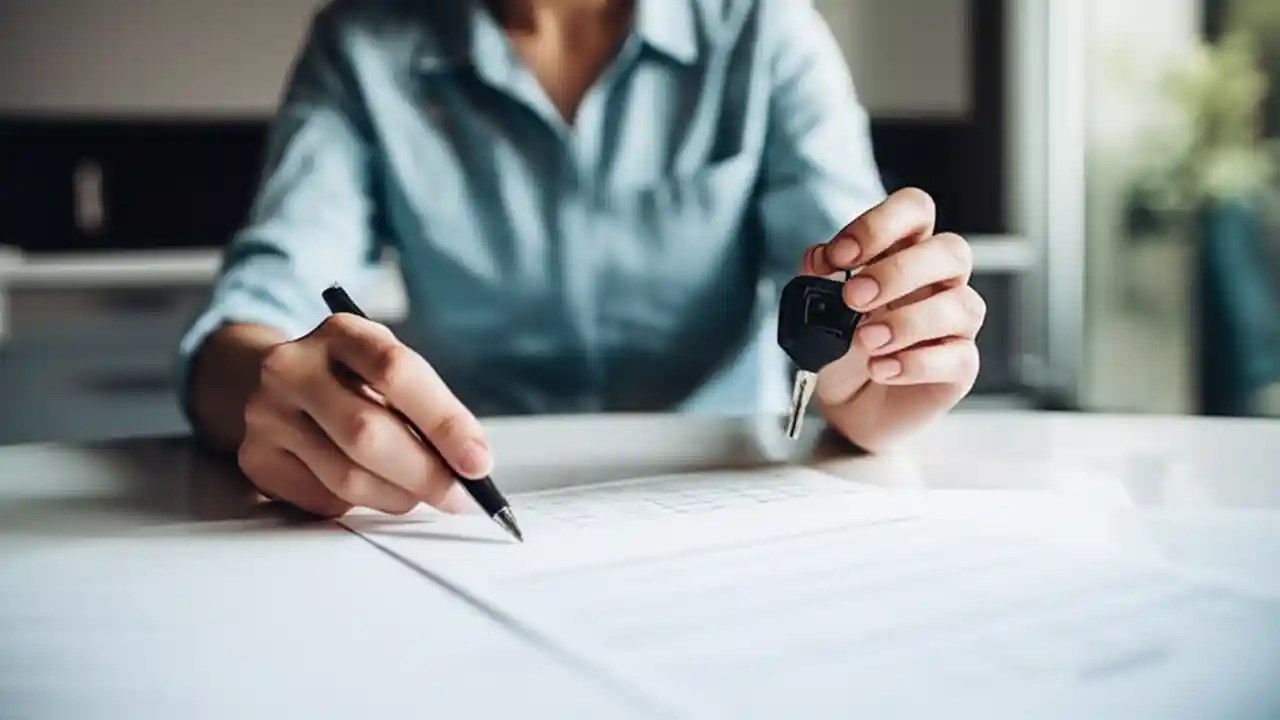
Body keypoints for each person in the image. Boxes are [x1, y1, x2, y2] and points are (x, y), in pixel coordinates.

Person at [181, 0, 987, 517]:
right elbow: (259, 309)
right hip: (462, 490)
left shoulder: (761, 26)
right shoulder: (363, 44)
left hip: (730, 490)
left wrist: (880, 362)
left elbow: (847, 271)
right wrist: (270, 385)